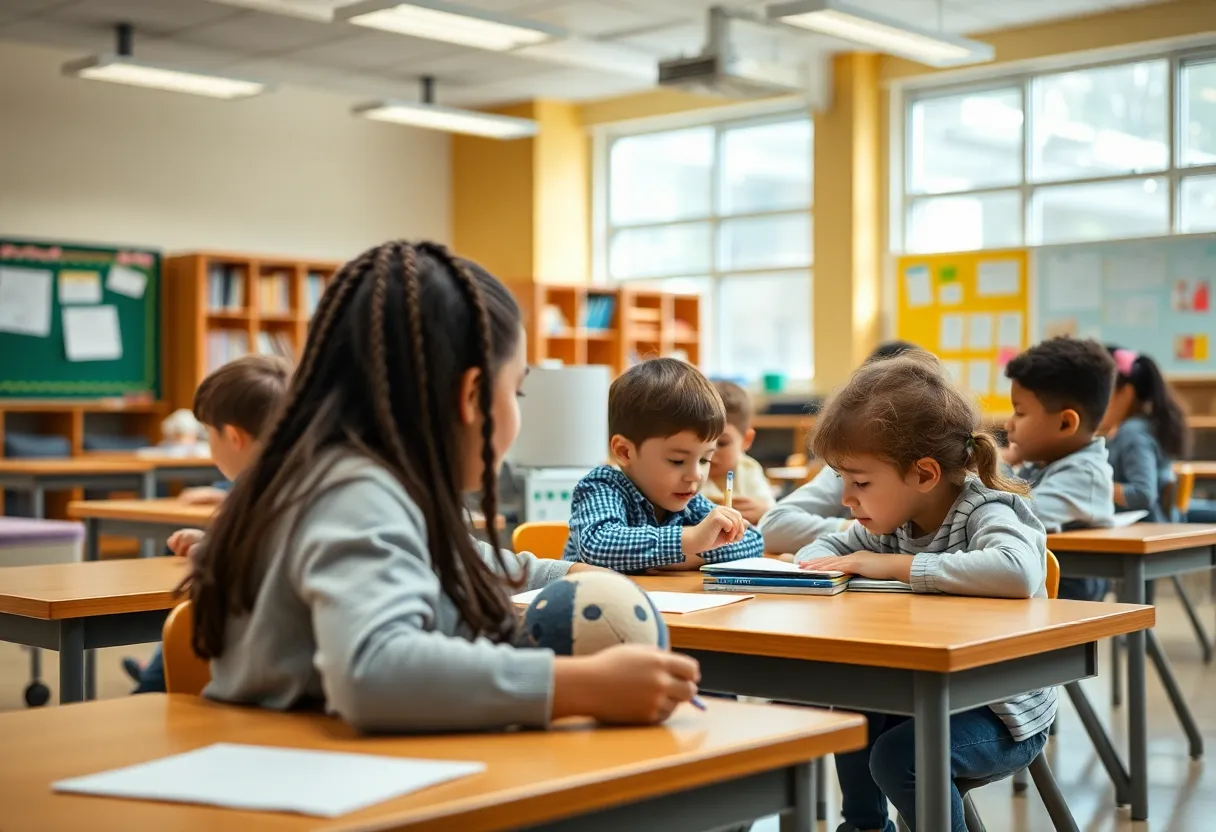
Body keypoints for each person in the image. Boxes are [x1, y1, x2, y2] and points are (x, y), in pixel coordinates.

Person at [186, 241, 701, 731]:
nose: (518, 411)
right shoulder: (356, 492)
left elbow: (463, 562)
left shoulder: (365, 480)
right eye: (516, 390)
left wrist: (571, 571)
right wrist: (583, 687)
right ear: (472, 394)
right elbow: (374, 670)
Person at [793, 351, 1051, 832]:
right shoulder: (894, 521)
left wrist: (895, 566)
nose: (847, 499)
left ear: (925, 474)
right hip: (932, 693)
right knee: (852, 703)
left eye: (861, 482)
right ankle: (866, 827)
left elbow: (1017, 571)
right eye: (843, 482)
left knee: (899, 758)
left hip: (1003, 713)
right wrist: (815, 565)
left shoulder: (986, 510)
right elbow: (825, 544)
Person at [125, 354, 292, 692]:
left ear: (233, 436)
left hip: (265, 671)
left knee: (193, 613)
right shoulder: (291, 480)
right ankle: (151, 681)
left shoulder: (269, 494)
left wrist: (210, 552)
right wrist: (207, 543)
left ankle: (149, 686)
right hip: (274, 663)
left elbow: (263, 565)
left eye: (207, 435)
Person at [562, 357, 762, 573]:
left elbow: (753, 541)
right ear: (624, 451)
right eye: (677, 461)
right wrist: (691, 539)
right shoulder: (602, 486)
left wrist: (689, 555)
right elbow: (598, 545)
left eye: (705, 460)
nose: (695, 475)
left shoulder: (688, 501)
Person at [759, 340, 922, 554]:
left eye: (862, 483)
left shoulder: (969, 506)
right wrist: (865, 532)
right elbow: (772, 527)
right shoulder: (854, 461)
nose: (847, 498)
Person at [1003, 337, 1117, 601]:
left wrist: (996, 466)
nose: (1009, 425)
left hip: (1066, 601)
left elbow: (1020, 513)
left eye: (1020, 413)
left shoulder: (1085, 474)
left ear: (1066, 423)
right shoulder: (1048, 461)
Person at [1101, 346, 1190, 521]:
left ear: (1126, 393)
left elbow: (1143, 494)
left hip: (1145, 533)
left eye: (1103, 394)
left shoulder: (1132, 433)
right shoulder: (1137, 427)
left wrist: (1091, 486)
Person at [701, 380, 774, 525]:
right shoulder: (691, 472)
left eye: (721, 443)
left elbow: (774, 513)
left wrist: (763, 512)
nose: (710, 453)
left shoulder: (749, 469)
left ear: (746, 440)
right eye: (702, 443)